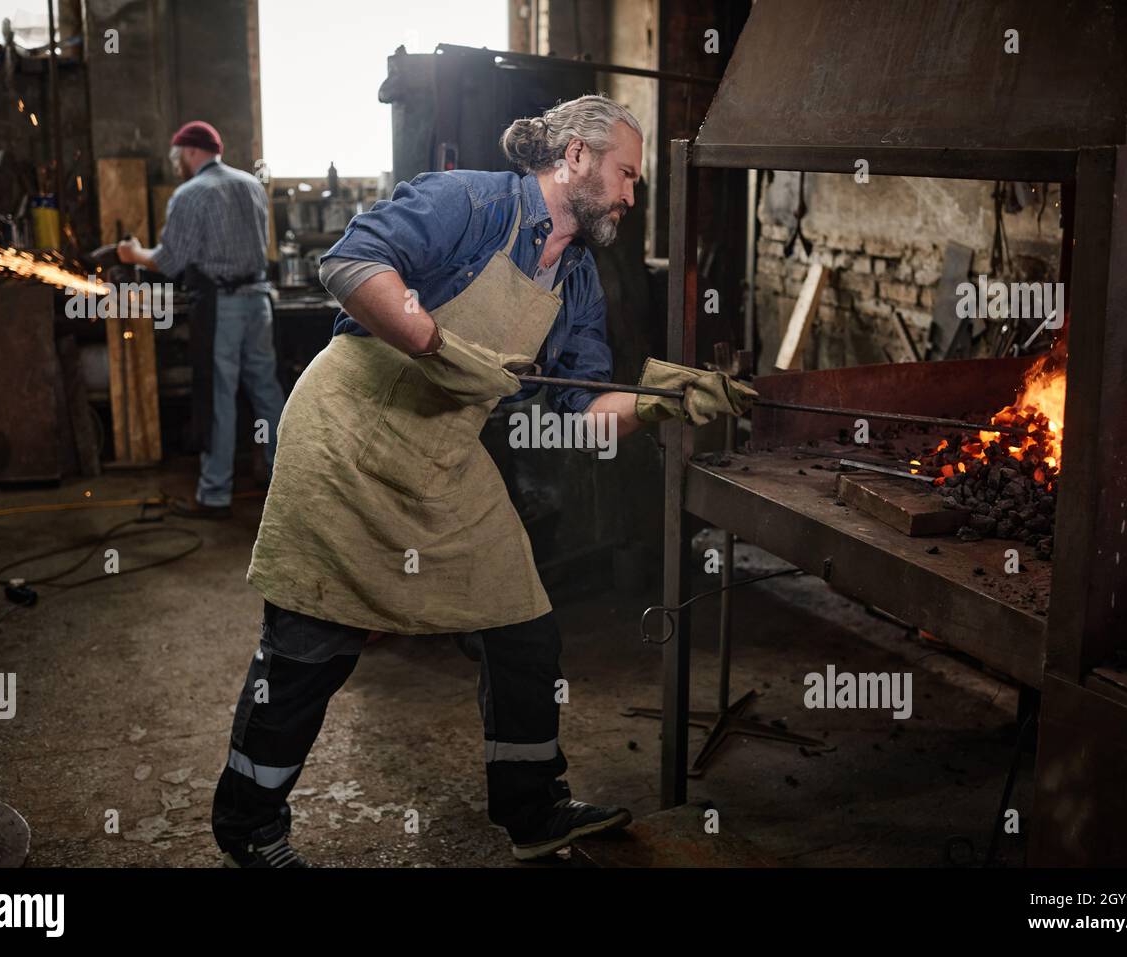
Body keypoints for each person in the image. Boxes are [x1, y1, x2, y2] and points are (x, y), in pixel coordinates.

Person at [211, 95, 756, 867]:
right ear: (574, 157)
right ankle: (249, 825)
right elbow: (349, 263)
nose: (633, 194)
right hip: (347, 432)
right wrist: (430, 337)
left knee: (523, 621)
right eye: (627, 174)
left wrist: (657, 402)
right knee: (313, 642)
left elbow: (580, 414)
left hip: (443, 453)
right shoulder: (466, 200)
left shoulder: (578, 282)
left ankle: (534, 809)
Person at [118, 120, 285, 519]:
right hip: (258, 300)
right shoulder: (251, 185)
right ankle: (286, 480)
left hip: (222, 306)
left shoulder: (190, 193)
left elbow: (169, 261)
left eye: (178, 158)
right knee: (267, 389)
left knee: (218, 395)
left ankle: (214, 495)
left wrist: (133, 253)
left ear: (191, 152)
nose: (178, 165)